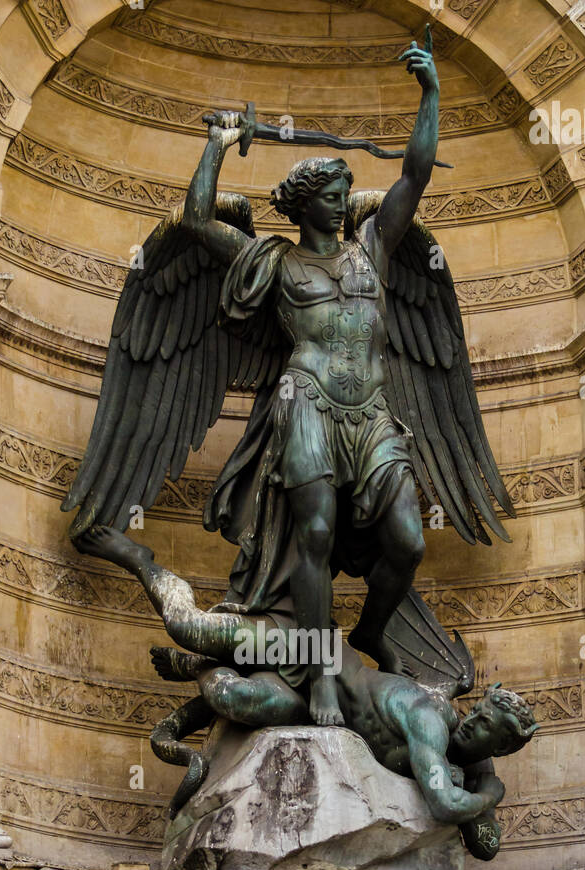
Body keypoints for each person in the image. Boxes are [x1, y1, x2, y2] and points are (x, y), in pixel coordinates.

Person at [181, 36, 441, 726]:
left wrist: (430, 95)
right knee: (315, 536)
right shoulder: (273, 261)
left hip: (371, 412)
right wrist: (216, 144)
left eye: (345, 193)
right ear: (303, 206)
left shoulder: (373, 248)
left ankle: (368, 633)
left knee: (408, 542)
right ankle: (322, 677)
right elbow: (196, 220)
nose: (341, 203)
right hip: (306, 402)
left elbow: (414, 175)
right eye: (330, 195)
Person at [76, 525, 538, 845]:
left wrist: (488, 795)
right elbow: (443, 802)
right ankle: (141, 561)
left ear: (497, 745)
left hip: (308, 711)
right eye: (477, 713)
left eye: (481, 729)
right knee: (186, 624)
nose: (469, 723)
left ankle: (201, 668)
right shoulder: (429, 721)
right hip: (308, 651)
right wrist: (487, 798)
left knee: (228, 697)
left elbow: (486, 846)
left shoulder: (475, 769)